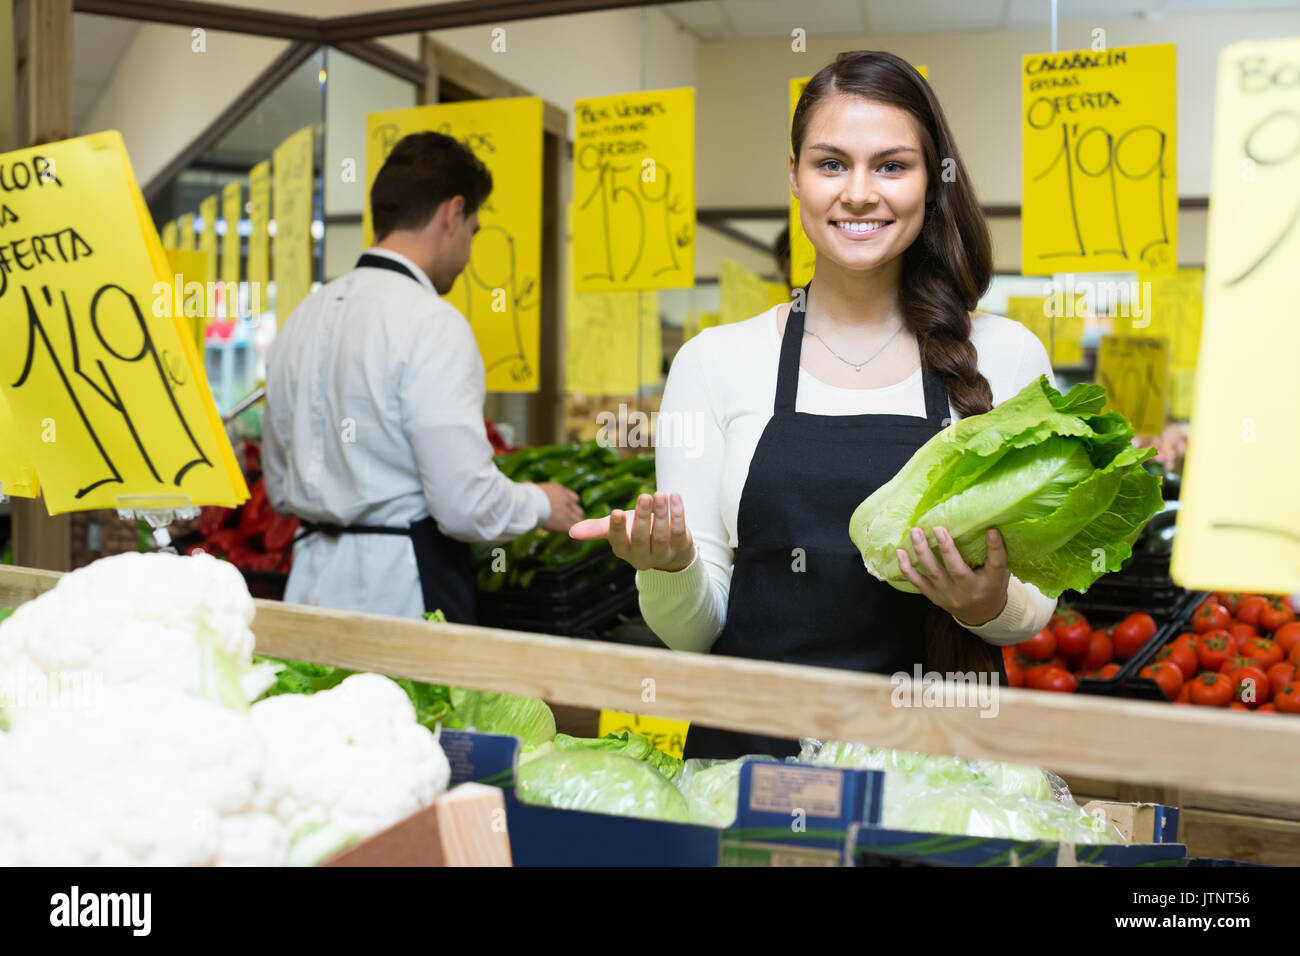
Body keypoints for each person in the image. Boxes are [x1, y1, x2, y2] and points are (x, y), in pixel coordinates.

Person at [571, 51, 1058, 759]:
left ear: (933, 181)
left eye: (892, 165)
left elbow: (1029, 614)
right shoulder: (714, 363)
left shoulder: (1006, 356)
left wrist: (981, 603)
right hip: (750, 771)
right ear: (794, 175)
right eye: (831, 164)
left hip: (936, 775)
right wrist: (668, 568)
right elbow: (692, 633)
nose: (859, 193)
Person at [264, 131, 582, 623]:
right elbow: (463, 505)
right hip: (400, 597)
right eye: (474, 231)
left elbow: (280, 486)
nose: (470, 252)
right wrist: (540, 503)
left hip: (306, 586)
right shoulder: (432, 322)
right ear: (452, 214)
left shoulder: (303, 316)